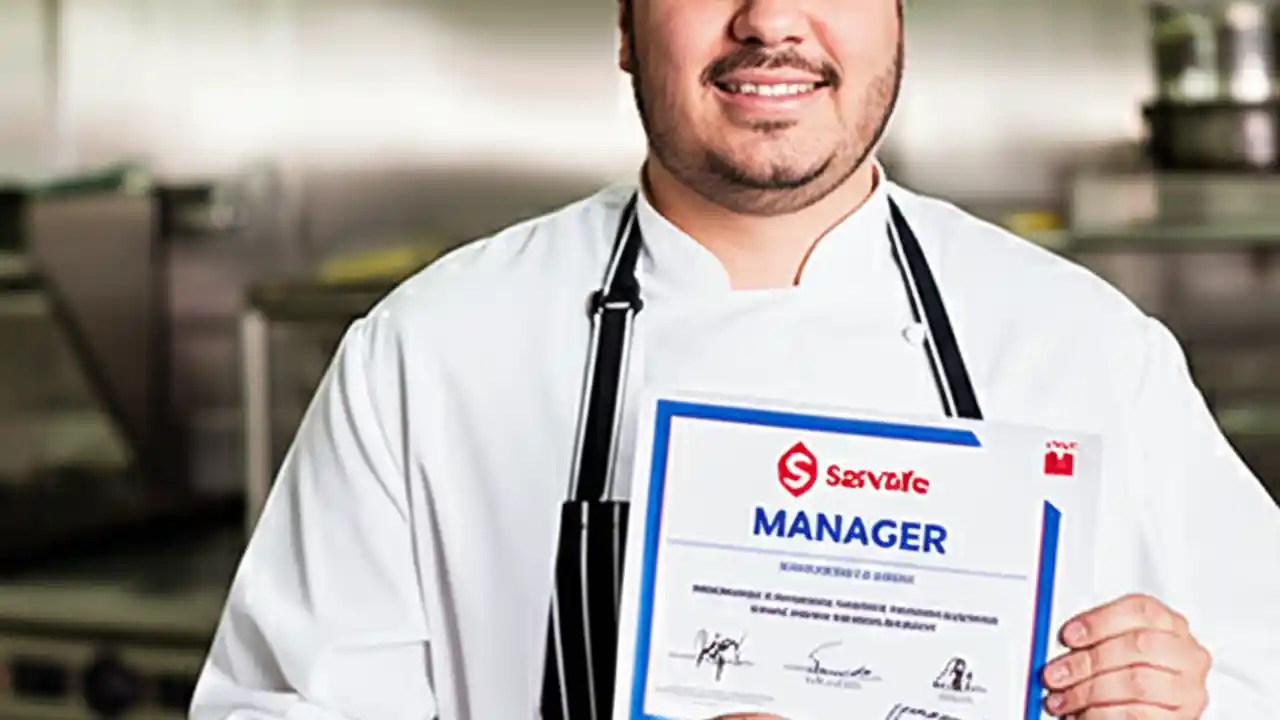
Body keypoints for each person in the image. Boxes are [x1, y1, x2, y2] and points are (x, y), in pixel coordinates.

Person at [191, 0, 1280, 718]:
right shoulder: (428, 356)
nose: (768, 18)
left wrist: (1191, 704)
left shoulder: (1084, 347)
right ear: (623, 25)